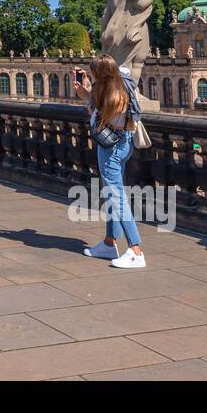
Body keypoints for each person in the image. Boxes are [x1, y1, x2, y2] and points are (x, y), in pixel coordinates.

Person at [75, 54, 145, 269]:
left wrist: (87, 97)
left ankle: (136, 251)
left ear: (100, 75)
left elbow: (97, 118)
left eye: (94, 73)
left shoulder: (113, 95)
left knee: (117, 198)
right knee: (113, 194)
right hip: (122, 144)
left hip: (111, 147)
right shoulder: (122, 83)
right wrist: (86, 91)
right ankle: (109, 243)